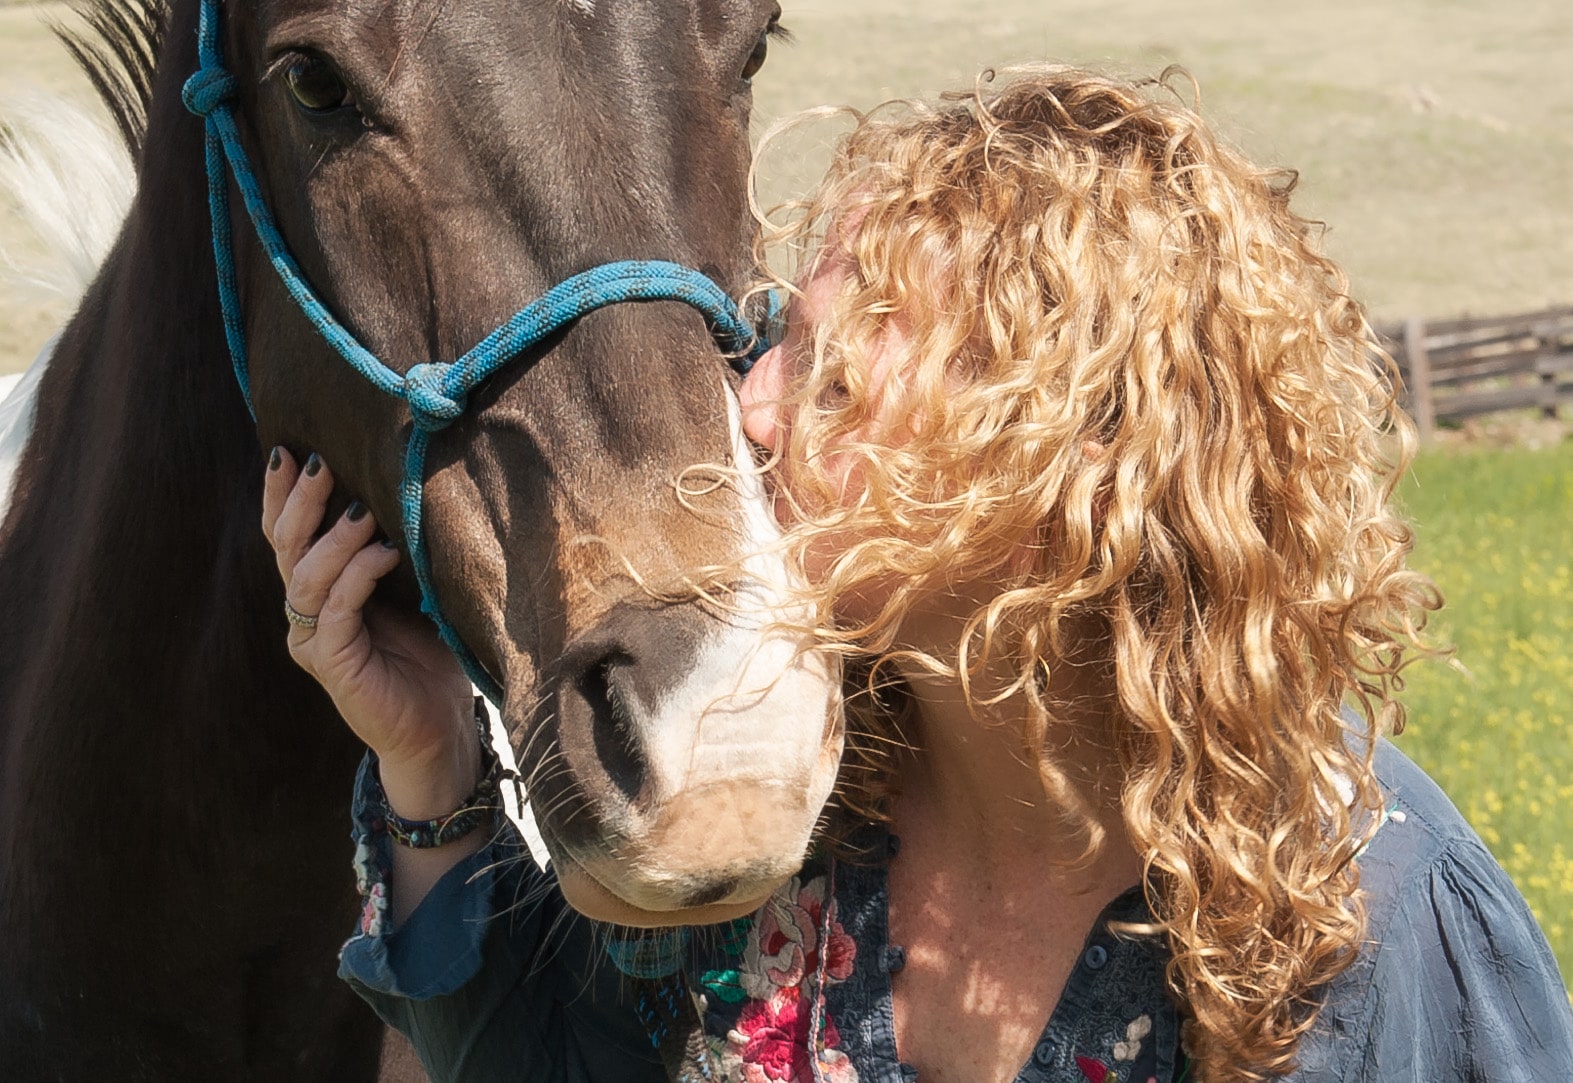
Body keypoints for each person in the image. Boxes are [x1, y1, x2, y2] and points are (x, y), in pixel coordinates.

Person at [262, 67, 1573, 1082]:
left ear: (1075, 472)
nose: (752, 409)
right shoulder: (773, 807)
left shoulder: (1371, 914)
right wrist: (430, 763)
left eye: (828, 377)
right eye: (775, 343)